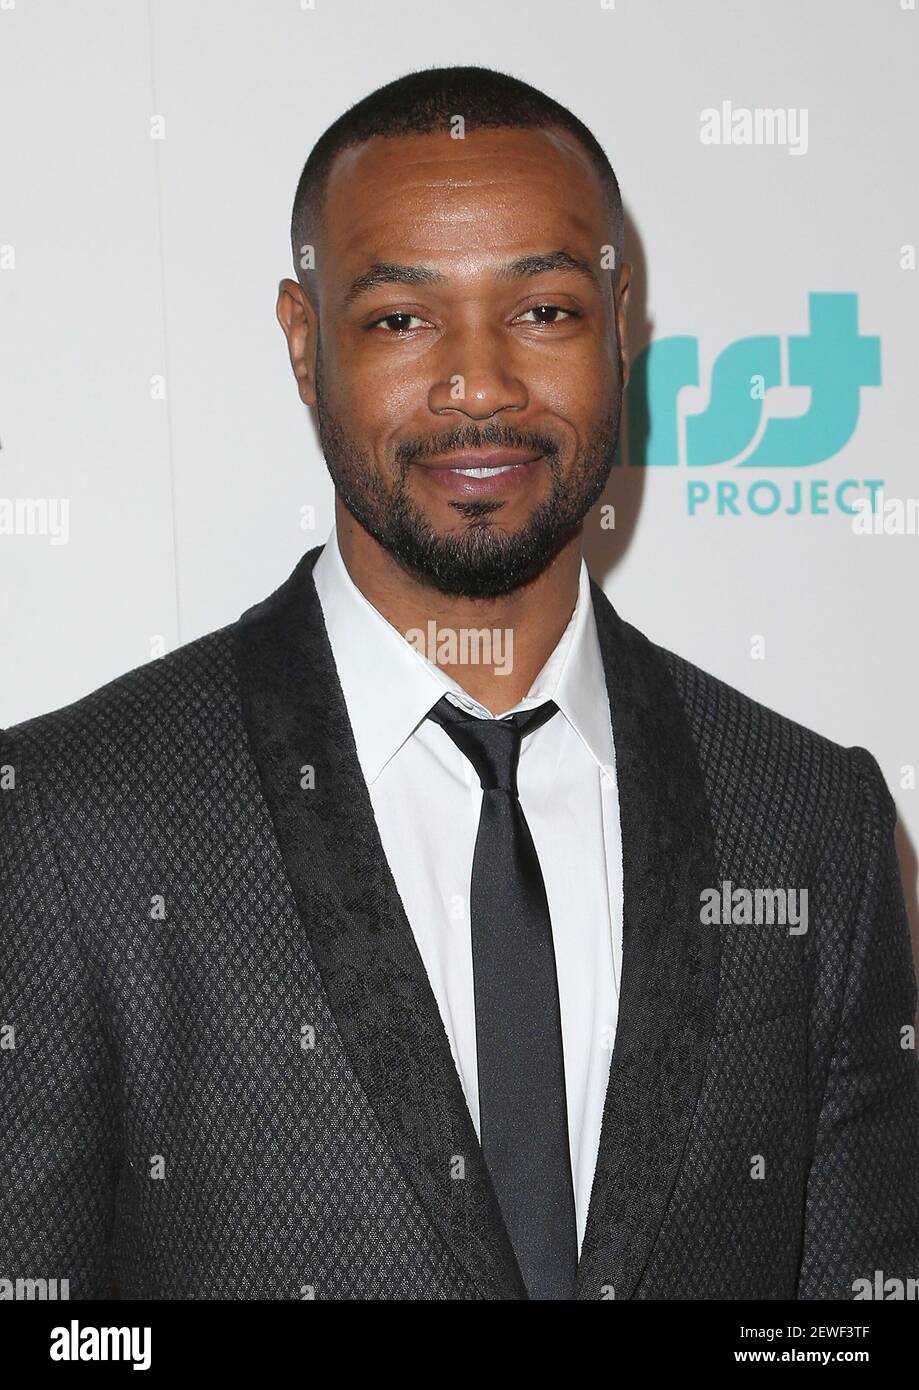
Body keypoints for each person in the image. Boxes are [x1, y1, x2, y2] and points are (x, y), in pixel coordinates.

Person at [2, 65, 917, 1302]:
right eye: (400, 320)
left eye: (540, 311)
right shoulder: (69, 818)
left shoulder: (813, 820)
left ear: (619, 318)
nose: (478, 385)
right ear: (301, 338)